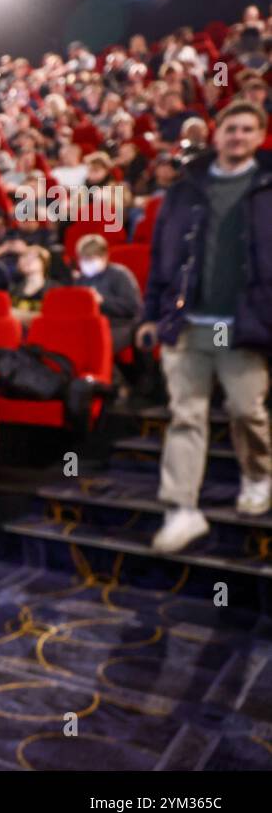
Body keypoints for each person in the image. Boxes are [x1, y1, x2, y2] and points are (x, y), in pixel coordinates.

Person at [139, 101, 272, 552]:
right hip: (190, 321)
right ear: (216, 136)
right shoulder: (185, 190)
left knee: (245, 410)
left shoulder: (267, 186)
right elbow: (163, 255)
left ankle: (257, 475)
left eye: (246, 129)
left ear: (259, 136)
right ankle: (182, 508)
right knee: (186, 416)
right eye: (230, 129)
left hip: (241, 322)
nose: (237, 136)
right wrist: (151, 314)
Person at [72, 233, 142, 353]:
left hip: (120, 325)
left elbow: (133, 308)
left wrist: (103, 301)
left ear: (104, 257)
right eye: (83, 259)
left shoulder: (119, 274)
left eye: (91, 259)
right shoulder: (81, 279)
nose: (86, 263)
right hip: (90, 326)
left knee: (96, 348)